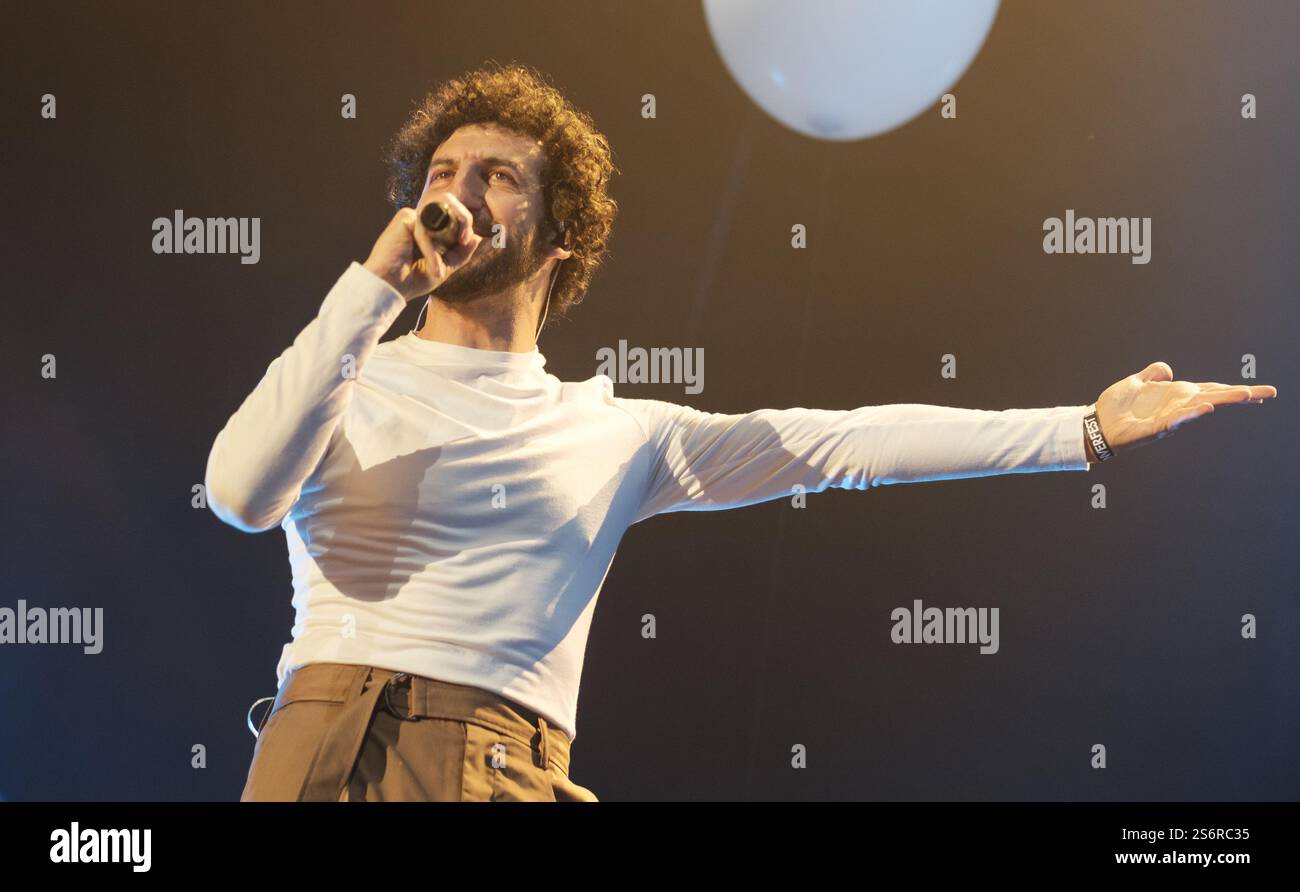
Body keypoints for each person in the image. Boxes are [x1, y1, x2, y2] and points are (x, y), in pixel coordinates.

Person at [205, 61, 1277, 802]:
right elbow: (242, 493)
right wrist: (369, 291)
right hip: (316, 744)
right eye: (440, 173)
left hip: (494, 758)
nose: (460, 191)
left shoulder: (613, 429)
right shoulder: (346, 364)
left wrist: (1080, 426)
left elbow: (842, 443)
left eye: (495, 175)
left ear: (559, 232)